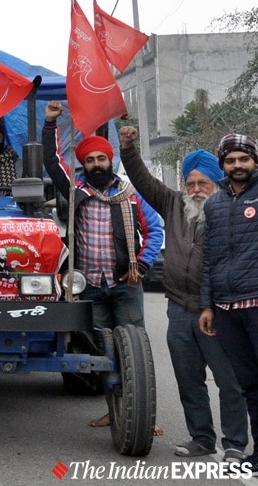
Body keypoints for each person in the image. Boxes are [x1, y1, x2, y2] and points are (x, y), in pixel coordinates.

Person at [119, 127, 247, 462]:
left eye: (203, 183)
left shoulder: (226, 209)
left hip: (217, 312)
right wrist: (128, 147)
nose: (195, 189)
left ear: (216, 183)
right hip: (178, 309)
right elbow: (143, 179)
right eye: (190, 183)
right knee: (189, 380)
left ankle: (234, 443)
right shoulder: (173, 203)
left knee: (229, 380)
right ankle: (201, 438)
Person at [42, 101, 163, 429]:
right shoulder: (76, 192)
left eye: (101, 158)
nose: (96, 164)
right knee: (104, 353)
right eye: (90, 160)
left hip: (125, 285)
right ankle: (116, 412)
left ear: (110, 161)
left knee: (133, 351)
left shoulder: (131, 195)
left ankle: (141, 417)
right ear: (84, 164)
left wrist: (143, 264)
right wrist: (51, 124)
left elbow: (155, 231)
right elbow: (53, 163)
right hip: (91, 286)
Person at [200, 133, 258, 468]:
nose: (237, 166)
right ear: (222, 164)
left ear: (254, 161)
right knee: (250, 384)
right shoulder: (215, 203)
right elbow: (210, 260)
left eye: (244, 159)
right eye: (231, 160)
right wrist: (207, 306)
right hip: (227, 309)